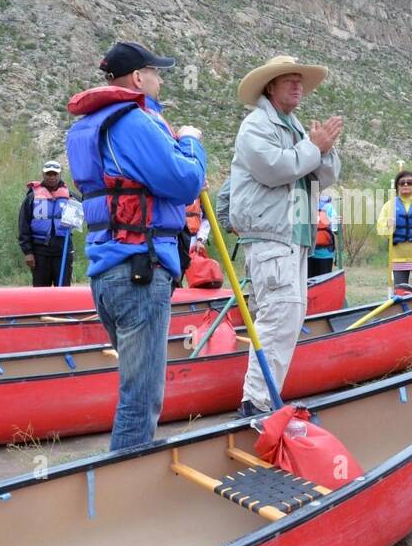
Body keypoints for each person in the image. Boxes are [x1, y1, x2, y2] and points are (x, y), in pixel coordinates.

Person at [66, 41, 207, 450]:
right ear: (139, 78)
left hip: (107, 273)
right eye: (156, 73)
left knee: (135, 390)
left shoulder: (87, 127)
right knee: (142, 398)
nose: (160, 80)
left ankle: (124, 481)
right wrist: (193, 144)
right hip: (139, 273)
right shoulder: (134, 122)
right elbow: (184, 181)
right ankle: (124, 489)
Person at [230, 56, 343, 418]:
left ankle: (263, 399)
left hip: (294, 236)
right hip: (271, 234)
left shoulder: (294, 129)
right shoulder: (256, 126)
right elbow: (276, 169)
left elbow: (323, 177)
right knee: (280, 314)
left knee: (289, 316)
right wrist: (314, 147)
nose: (297, 87)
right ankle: (256, 402)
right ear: (271, 87)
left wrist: (321, 148)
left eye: (299, 81)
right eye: (289, 81)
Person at [18, 161, 75, 287]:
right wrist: (28, 252)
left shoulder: (70, 197)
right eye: (48, 174)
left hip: (63, 250)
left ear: (60, 174)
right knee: (40, 291)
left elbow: (84, 213)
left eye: (55, 174)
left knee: (64, 290)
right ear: (43, 175)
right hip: (40, 252)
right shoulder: (32, 198)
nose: (52, 177)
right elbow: (23, 225)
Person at [308, 191, 340, 278]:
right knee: (323, 284)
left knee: (308, 286)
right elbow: (336, 231)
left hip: (308, 254)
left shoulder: (308, 206)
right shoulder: (330, 209)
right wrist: (336, 255)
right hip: (326, 255)